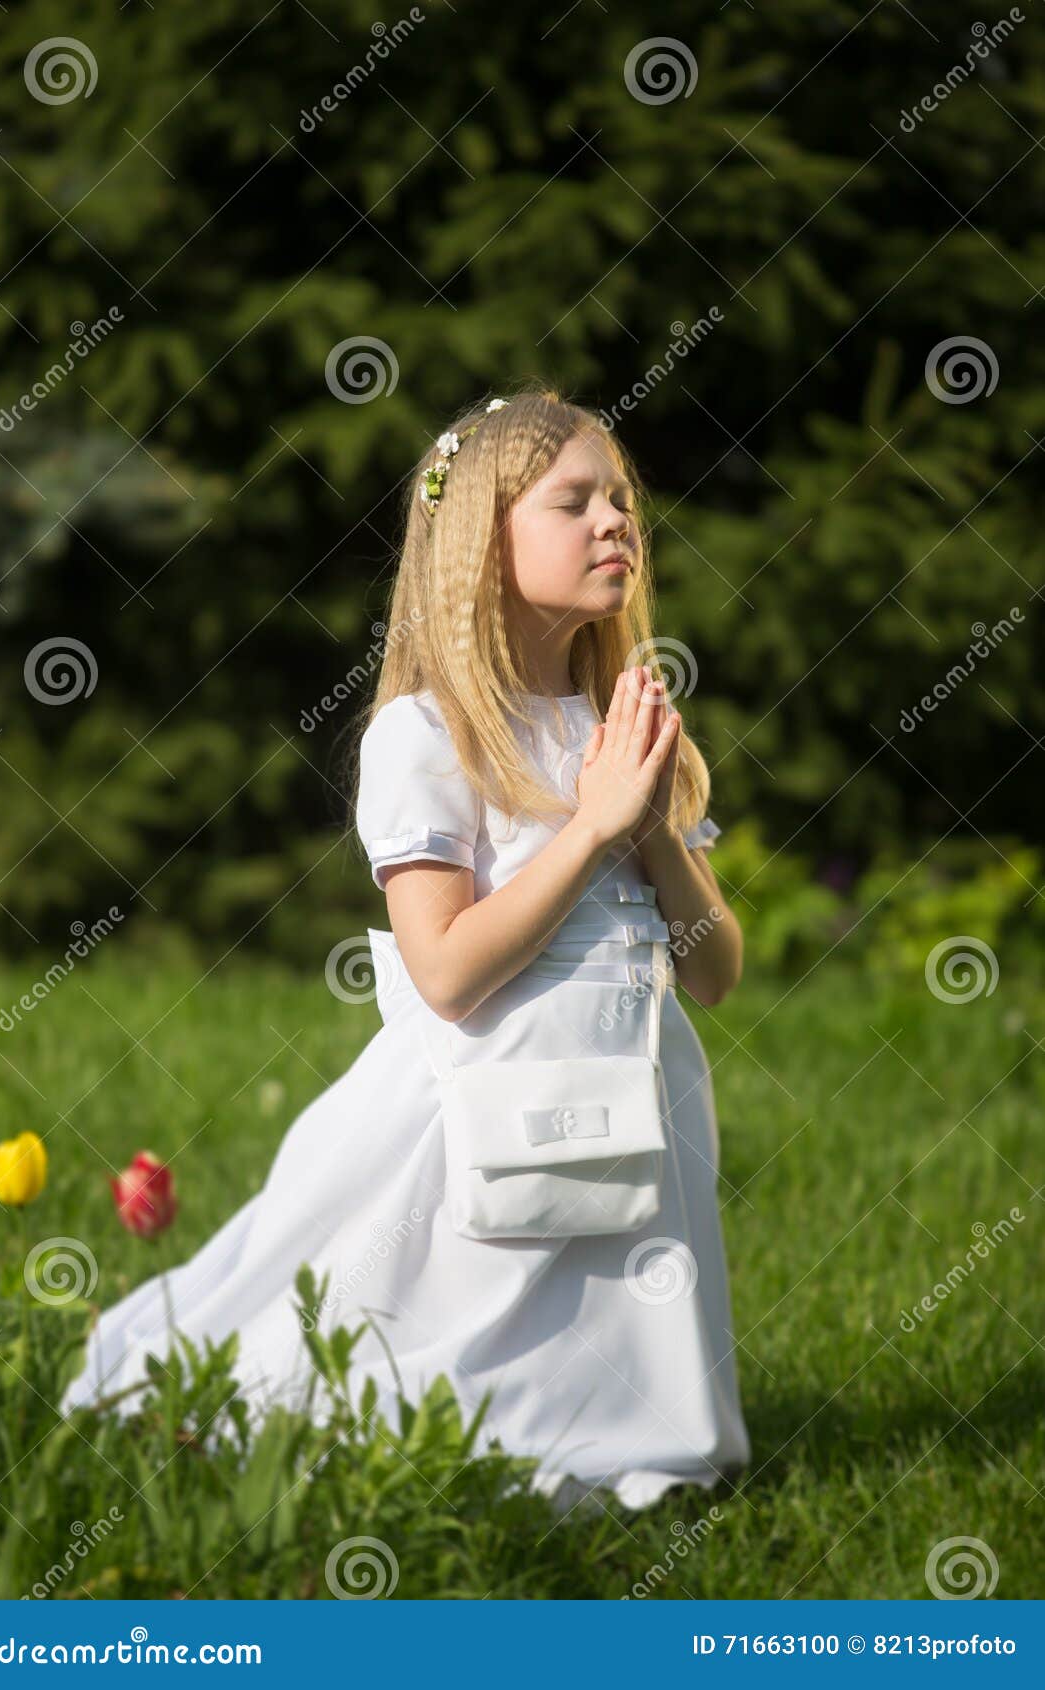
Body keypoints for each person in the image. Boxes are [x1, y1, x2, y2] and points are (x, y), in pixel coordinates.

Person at [59, 385, 750, 1515]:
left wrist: (651, 827)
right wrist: (588, 829)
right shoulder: (428, 734)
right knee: (435, 1326)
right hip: (473, 1106)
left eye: (620, 499)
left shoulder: (625, 726)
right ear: (481, 542)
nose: (614, 520)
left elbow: (712, 970)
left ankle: (628, 1433)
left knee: (605, 1281)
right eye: (573, 501)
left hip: (634, 1086)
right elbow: (445, 969)